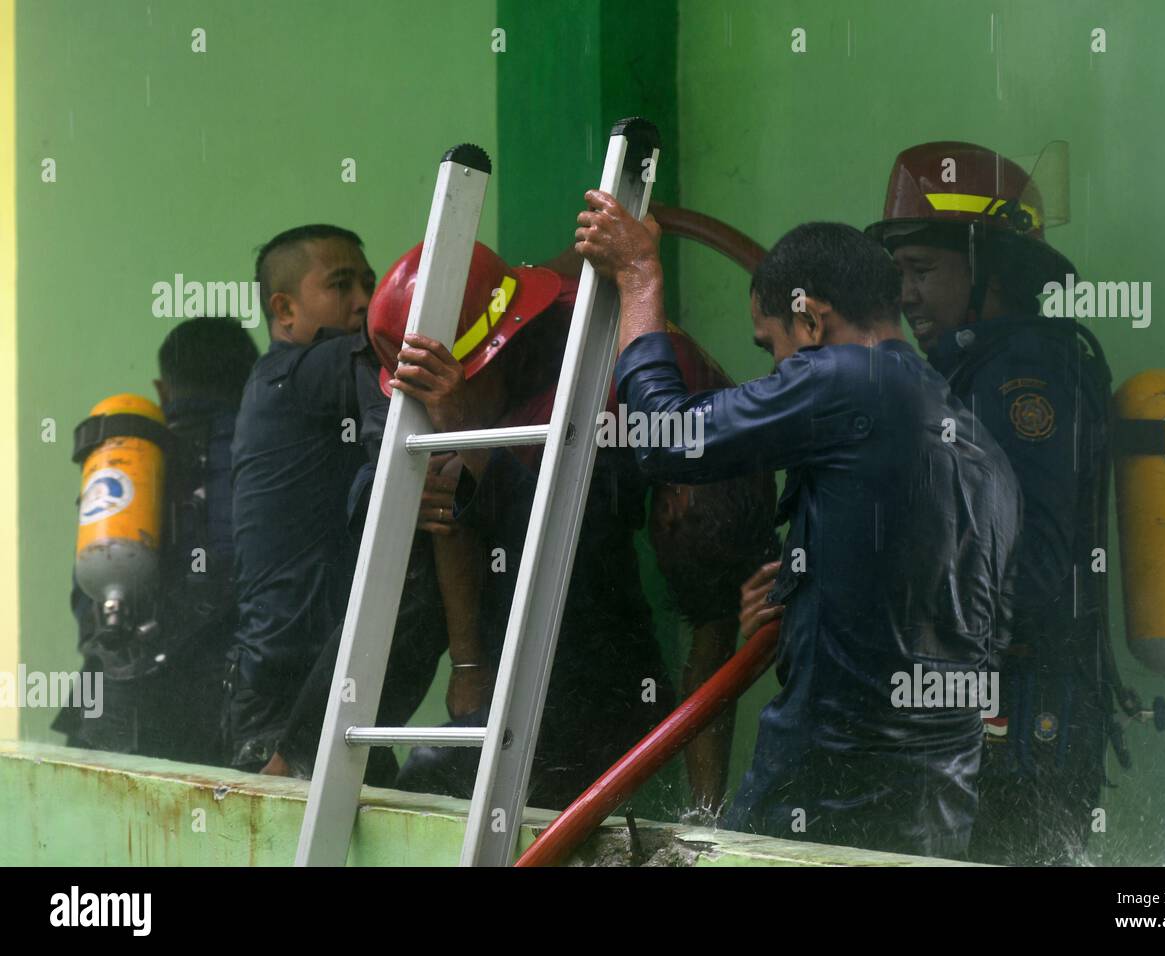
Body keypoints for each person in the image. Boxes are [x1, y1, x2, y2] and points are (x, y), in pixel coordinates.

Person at [575, 200, 1022, 859]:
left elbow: (663, 436)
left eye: (772, 346)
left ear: (810, 320)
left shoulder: (848, 382)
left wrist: (641, 276)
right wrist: (801, 596)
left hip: (826, 779)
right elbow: (953, 619)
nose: (774, 372)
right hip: (940, 797)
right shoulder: (979, 448)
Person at [268, 240, 776, 811]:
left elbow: (562, 547)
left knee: (568, 546)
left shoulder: (592, 397)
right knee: (417, 511)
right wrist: (469, 667)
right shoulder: (495, 333)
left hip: (648, 483)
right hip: (569, 438)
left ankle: (623, 734)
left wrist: (705, 816)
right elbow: (440, 510)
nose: (660, 525)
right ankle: (302, 753)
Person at [865, 141, 1115, 864]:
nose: (904, 295)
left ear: (992, 269)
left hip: (1025, 725)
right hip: (993, 723)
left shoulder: (1017, 377)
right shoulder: (969, 372)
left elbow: (1033, 572)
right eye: (896, 274)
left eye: (922, 271)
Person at [55, 317, 258, 764]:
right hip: (210, 710)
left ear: (163, 391)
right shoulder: (258, 449)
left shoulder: (125, 454)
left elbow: (82, 595)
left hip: (106, 699)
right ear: (251, 382)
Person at [223, 224, 376, 771]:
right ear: (284, 311)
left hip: (316, 682)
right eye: (341, 285)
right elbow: (386, 343)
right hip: (285, 701)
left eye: (369, 282)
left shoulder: (296, 379)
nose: (364, 300)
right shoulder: (298, 374)